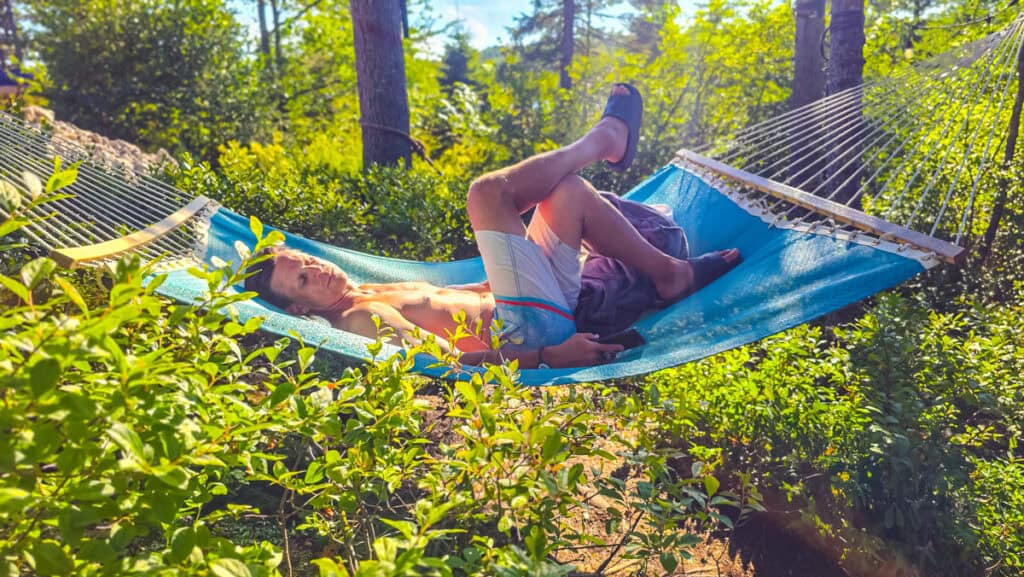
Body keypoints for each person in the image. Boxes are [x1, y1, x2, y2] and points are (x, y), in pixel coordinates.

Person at [244, 84, 740, 369]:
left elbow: (460, 298)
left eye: (307, 260)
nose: (318, 269)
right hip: (533, 328)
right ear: (296, 305)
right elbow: (444, 367)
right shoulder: (358, 318)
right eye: (304, 279)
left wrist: (518, 270)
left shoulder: (369, 287)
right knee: (486, 194)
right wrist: (548, 354)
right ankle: (605, 139)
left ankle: (669, 273)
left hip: (531, 302)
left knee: (567, 193)